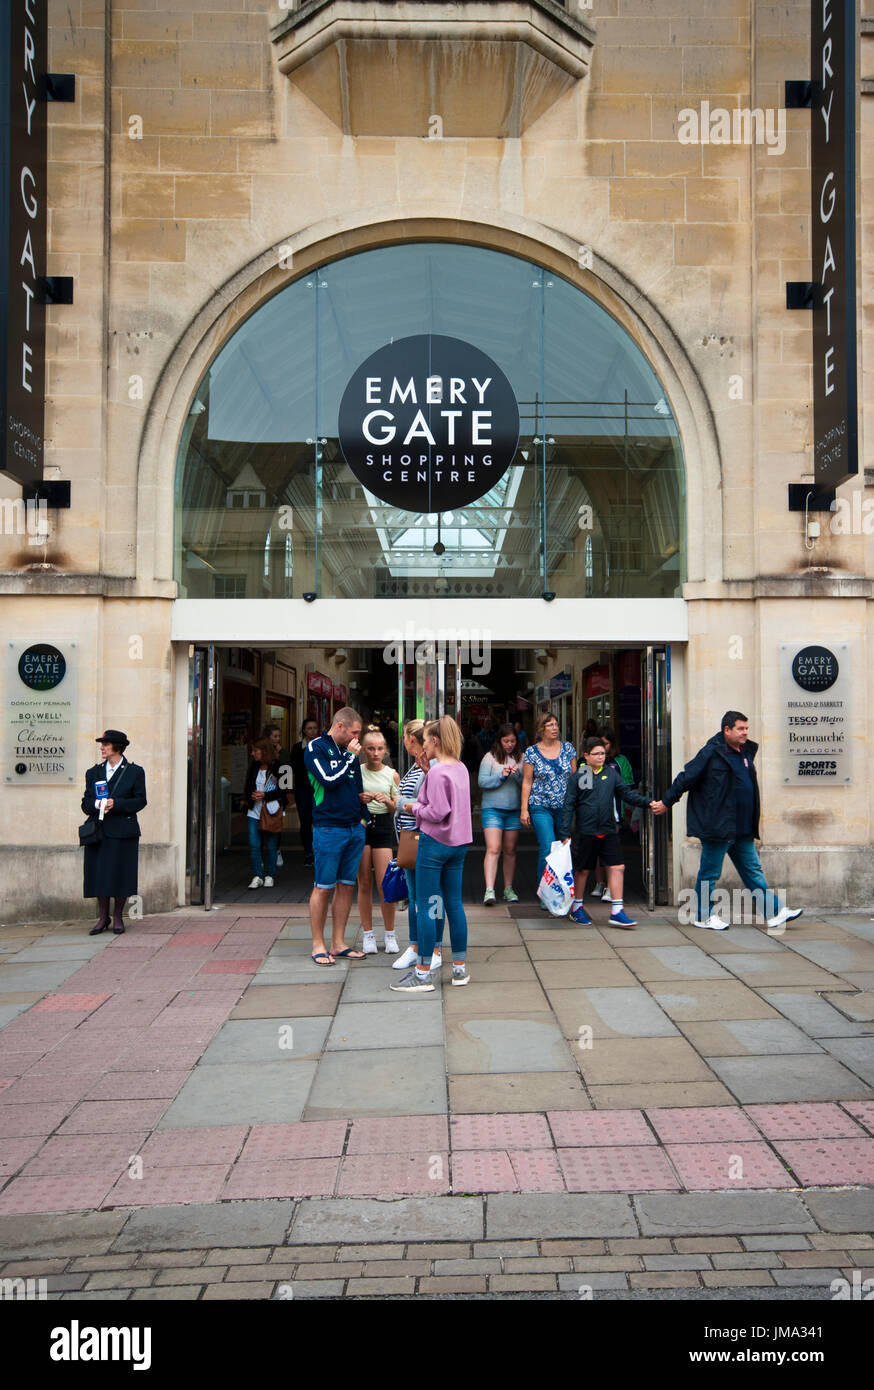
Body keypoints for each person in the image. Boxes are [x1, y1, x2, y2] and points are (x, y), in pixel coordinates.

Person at [650, 710, 804, 931]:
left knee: (753, 870)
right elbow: (685, 778)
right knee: (710, 873)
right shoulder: (711, 752)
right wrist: (666, 802)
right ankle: (703, 916)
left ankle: (774, 913)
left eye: (746, 728)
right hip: (718, 825)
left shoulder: (744, 752)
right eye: (740, 729)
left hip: (741, 827)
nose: (745, 733)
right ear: (727, 730)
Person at [391, 715, 472, 993]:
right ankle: (459, 969)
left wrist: (409, 807)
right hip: (458, 845)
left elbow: (436, 812)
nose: (423, 745)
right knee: (454, 905)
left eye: (425, 740)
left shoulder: (438, 773)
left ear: (435, 740)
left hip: (434, 844)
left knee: (425, 906)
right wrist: (427, 774)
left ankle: (422, 974)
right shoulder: (460, 768)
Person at [559, 735, 651, 928]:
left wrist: (649, 803)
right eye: (596, 754)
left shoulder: (611, 774)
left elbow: (627, 794)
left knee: (617, 867)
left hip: (608, 830)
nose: (601, 757)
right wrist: (565, 833)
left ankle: (617, 911)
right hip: (586, 831)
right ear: (586, 756)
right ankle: (577, 908)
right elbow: (569, 805)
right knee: (583, 870)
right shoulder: (581, 775)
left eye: (603, 753)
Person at [304, 707, 369, 965]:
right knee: (323, 887)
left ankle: (338, 943)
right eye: (354, 732)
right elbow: (328, 779)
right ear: (340, 725)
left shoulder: (347, 751)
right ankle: (318, 944)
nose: (357, 738)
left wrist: (364, 818)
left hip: (354, 828)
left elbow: (357, 787)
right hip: (329, 828)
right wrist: (351, 758)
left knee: (346, 886)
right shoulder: (316, 748)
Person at [82, 730, 147, 936]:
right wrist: (97, 804)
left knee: (121, 874)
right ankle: (103, 918)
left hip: (123, 831)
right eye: (102, 744)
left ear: (117, 747)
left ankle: (118, 916)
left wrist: (115, 804)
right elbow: (85, 803)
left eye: (106, 744)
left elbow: (140, 800)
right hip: (99, 831)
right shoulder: (93, 773)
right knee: (99, 875)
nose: (102, 747)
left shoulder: (135, 772)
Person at [391, 719, 443, 975]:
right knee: (413, 897)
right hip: (409, 838)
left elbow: (431, 802)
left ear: (411, 738)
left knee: (431, 896)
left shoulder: (430, 765)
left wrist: (400, 803)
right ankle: (415, 945)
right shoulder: (417, 765)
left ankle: (435, 948)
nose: (403, 741)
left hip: (423, 837)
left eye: (404, 736)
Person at [521, 712, 577, 897]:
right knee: (547, 846)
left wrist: (577, 804)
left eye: (556, 724)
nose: (555, 728)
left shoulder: (568, 748)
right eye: (550, 725)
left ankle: (562, 889)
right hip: (540, 805)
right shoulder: (532, 752)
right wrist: (524, 809)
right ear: (541, 728)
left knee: (563, 847)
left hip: (564, 807)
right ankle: (546, 893)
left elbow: (575, 778)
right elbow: (527, 781)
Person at [357, 726, 401, 954]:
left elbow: (398, 808)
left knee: (386, 883)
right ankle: (368, 934)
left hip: (383, 825)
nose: (375, 753)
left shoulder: (391, 774)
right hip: (363, 824)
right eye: (371, 748)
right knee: (364, 882)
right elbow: (349, 800)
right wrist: (360, 798)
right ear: (364, 750)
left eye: (380, 749)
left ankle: (390, 933)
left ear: (385, 750)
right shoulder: (357, 771)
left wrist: (387, 801)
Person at [478, 723, 523, 905]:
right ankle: (489, 890)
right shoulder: (490, 757)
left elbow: (527, 783)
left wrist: (517, 775)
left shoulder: (521, 758)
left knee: (510, 850)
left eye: (512, 741)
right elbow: (481, 782)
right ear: (499, 741)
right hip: (492, 809)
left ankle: (508, 888)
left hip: (514, 809)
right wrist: (501, 776)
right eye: (506, 741)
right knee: (494, 848)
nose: (509, 744)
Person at [589, 727, 634, 901]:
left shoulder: (620, 762)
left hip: (613, 812)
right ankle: (599, 882)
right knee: (595, 849)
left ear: (612, 744)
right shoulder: (588, 762)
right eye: (600, 744)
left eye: (606, 744)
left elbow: (627, 787)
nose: (603, 748)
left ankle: (609, 886)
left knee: (610, 850)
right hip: (593, 813)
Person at [243, 737, 288, 889]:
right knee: (254, 844)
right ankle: (257, 875)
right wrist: (251, 795)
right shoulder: (253, 766)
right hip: (254, 810)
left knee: (271, 845)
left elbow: (285, 789)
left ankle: (270, 875)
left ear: (264, 751)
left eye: (255, 750)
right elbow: (247, 785)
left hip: (272, 810)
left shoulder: (281, 766)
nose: (253, 753)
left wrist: (265, 795)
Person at [261, 724, 292, 867]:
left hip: (277, 794)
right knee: (261, 825)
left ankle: (276, 851)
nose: (277, 739)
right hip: (261, 793)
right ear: (267, 738)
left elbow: (287, 770)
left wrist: (282, 753)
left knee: (276, 824)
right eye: (275, 736)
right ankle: (261, 855)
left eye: (279, 736)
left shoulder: (282, 752)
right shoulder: (260, 751)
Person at [290, 718, 318, 866]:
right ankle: (308, 852)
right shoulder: (297, 748)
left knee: (319, 821)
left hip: (318, 789)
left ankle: (319, 851)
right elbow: (294, 767)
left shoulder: (321, 746)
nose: (312, 731)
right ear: (304, 731)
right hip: (302, 789)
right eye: (309, 728)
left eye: (314, 728)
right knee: (305, 821)